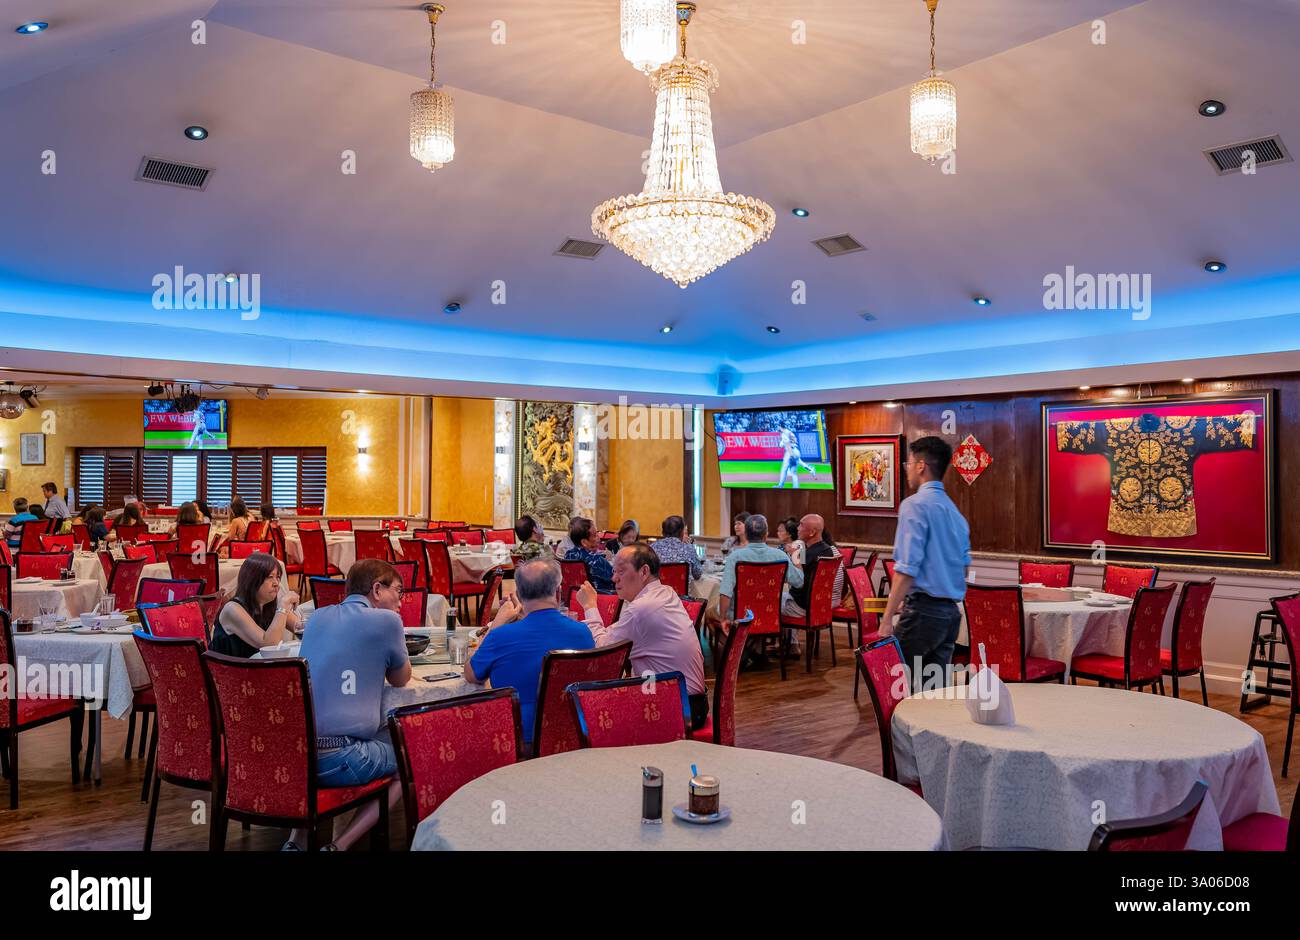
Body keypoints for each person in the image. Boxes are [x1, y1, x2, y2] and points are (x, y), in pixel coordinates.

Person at [290, 558, 410, 852]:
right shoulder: (388, 621)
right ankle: (339, 846)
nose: (401, 601)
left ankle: (297, 842)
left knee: (382, 732)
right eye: (399, 591)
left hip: (298, 755)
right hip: (342, 757)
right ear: (377, 589)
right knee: (409, 755)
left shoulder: (317, 616)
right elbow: (401, 679)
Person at [576, 543, 709, 730]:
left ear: (644, 571)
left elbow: (602, 651)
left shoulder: (642, 608)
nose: (613, 578)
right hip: (690, 701)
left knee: (589, 710)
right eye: (614, 571)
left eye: (620, 571)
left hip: (677, 709)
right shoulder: (665, 592)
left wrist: (590, 606)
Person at [465, 557, 594, 747]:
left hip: (517, 739)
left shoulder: (500, 637)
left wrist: (497, 624)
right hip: (574, 734)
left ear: (520, 595)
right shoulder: (583, 634)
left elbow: (471, 675)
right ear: (558, 594)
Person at [879, 436, 972, 687]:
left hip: (923, 614)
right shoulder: (956, 513)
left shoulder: (915, 505)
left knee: (892, 686)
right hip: (950, 614)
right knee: (932, 694)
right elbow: (963, 568)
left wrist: (887, 619)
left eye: (908, 463)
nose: (907, 469)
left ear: (921, 465)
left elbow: (907, 568)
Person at [717, 513, 803, 658]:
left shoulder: (735, 557)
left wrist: (723, 618)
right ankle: (755, 651)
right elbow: (799, 582)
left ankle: (739, 654)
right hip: (770, 614)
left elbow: (725, 593)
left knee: (712, 614)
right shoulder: (780, 556)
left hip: (741, 616)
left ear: (747, 534)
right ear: (766, 534)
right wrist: (797, 561)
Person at [210, 552, 301, 657]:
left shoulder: (269, 604)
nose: (276, 583)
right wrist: (284, 606)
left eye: (278, 577)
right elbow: (269, 646)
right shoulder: (232, 609)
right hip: (230, 670)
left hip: (257, 668)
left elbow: (300, 628)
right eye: (269, 577)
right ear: (251, 579)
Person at [781, 514, 845, 653]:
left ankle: (756, 650)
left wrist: (794, 558)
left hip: (802, 607)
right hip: (819, 605)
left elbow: (797, 583)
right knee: (783, 596)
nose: (798, 528)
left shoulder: (810, 554)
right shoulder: (827, 550)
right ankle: (790, 644)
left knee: (766, 604)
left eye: (801, 525)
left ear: (812, 532)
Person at [564, 518, 615, 593]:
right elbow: (616, 577)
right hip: (600, 598)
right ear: (584, 542)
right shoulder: (596, 560)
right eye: (595, 535)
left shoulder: (568, 555)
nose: (599, 537)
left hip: (574, 597)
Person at [651, 514, 702, 582]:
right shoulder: (689, 549)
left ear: (663, 532)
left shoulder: (652, 548)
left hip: (657, 591)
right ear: (681, 532)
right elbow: (697, 574)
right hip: (680, 592)